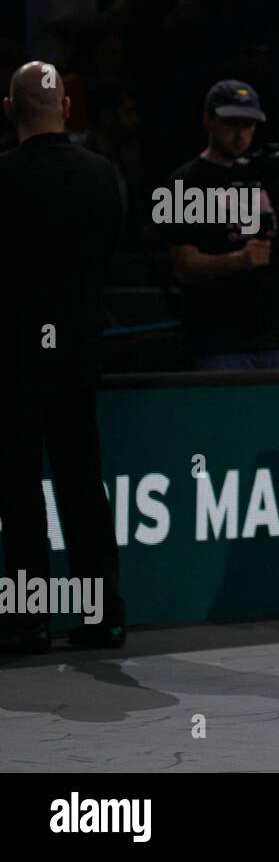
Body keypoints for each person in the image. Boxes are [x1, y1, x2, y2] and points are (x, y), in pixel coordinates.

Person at [0, 62, 126, 652]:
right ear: (67, 110)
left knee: (19, 492)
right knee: (82, 486)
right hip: (78, 355)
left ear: (9, 110)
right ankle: (103, 618)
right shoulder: (103, 175)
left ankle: (28, 621)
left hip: (13, 358)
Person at [164, 80, 279, 370]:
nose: (240, 134)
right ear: (208, 120)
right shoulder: (183, 183)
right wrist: (237, 261)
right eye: (231, 123)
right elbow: (183, 266)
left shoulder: (270, 176)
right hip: (219, 341)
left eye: (247, 124)